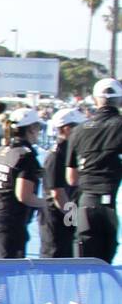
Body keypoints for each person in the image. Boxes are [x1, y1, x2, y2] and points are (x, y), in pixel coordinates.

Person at [0, 108, 44, 259]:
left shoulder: (0, 150)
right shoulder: (25, 156)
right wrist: (48, 203)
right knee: (7, 273)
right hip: (10, 221)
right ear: (31, 129)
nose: (39, 131)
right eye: (38, 127)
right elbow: (24, 196)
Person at [66, 77, 122, 262]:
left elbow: (71, 178)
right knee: (108, 266)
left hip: (86, 202)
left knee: (84, 265)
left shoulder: (79, 130)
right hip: (114, 200)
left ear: (96, 100)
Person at [39, 107, 85, 259]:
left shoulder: (68, 151)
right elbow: (58, 193)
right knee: (55, 261)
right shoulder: (57, 155)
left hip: (65, 216)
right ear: (66, 129)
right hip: (56, 219)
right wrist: (74, 218)